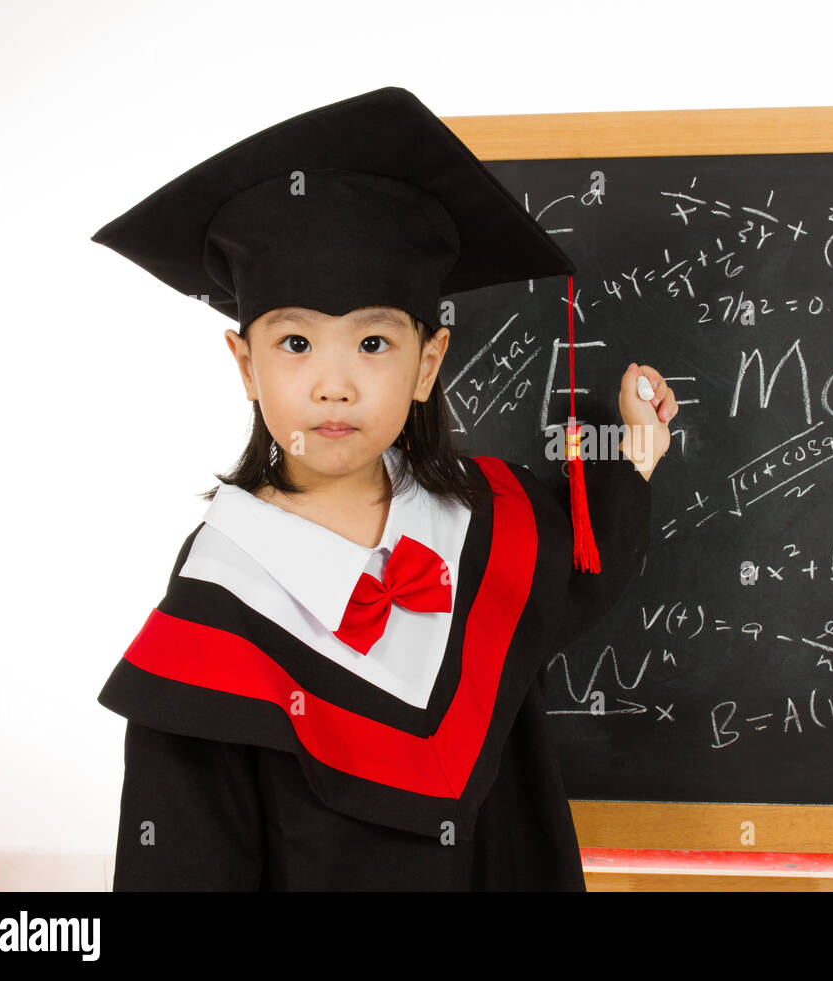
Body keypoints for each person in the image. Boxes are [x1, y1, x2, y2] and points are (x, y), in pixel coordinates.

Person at [91, 86, 677, 890]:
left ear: (427, 363)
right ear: (245, 365)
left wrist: (632, 448)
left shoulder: (482, 517)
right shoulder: (218, 604)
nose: (335, 385)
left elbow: (576, 575)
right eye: (295, 341)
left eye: (373, 341)